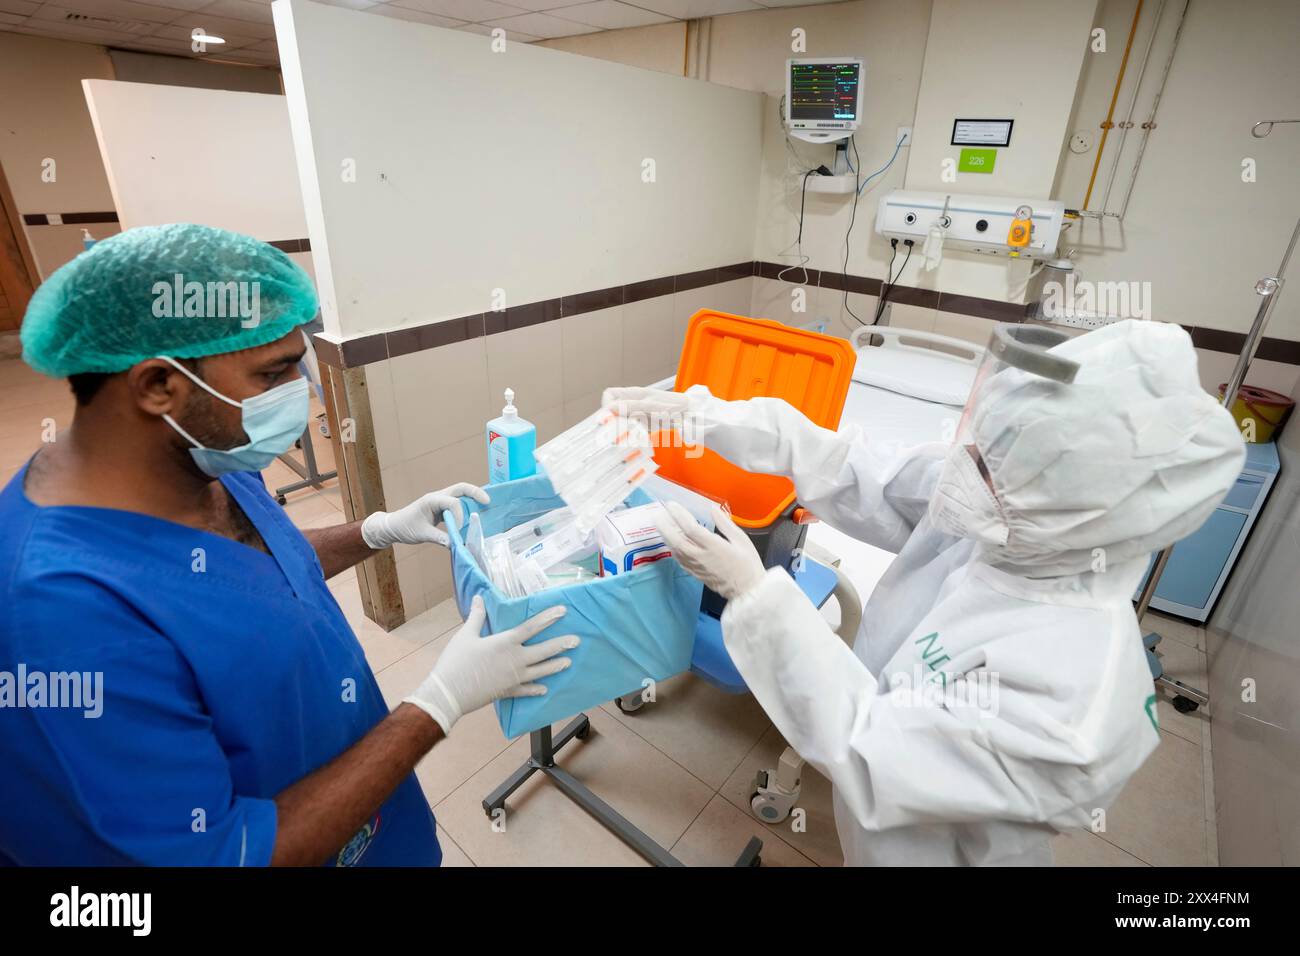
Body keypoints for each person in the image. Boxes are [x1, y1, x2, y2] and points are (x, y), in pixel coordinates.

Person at [0, 224, 576, 866]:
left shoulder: (204, 457)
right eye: (274, 371)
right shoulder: (59, 614)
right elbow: (222, 854)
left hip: (367, 826)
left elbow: (244, 565)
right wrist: (436, 706)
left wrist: (376, 530)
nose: (301, 390)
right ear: (157, 385)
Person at [605, 319, 1244, 866]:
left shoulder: (1078, 693)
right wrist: (700, 416)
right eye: (983, 442)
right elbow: (850, 468)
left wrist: (756, 595)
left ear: (1084, 511)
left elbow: (869, 750)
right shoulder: (1018, 518)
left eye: (988, 463)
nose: (964, 466)